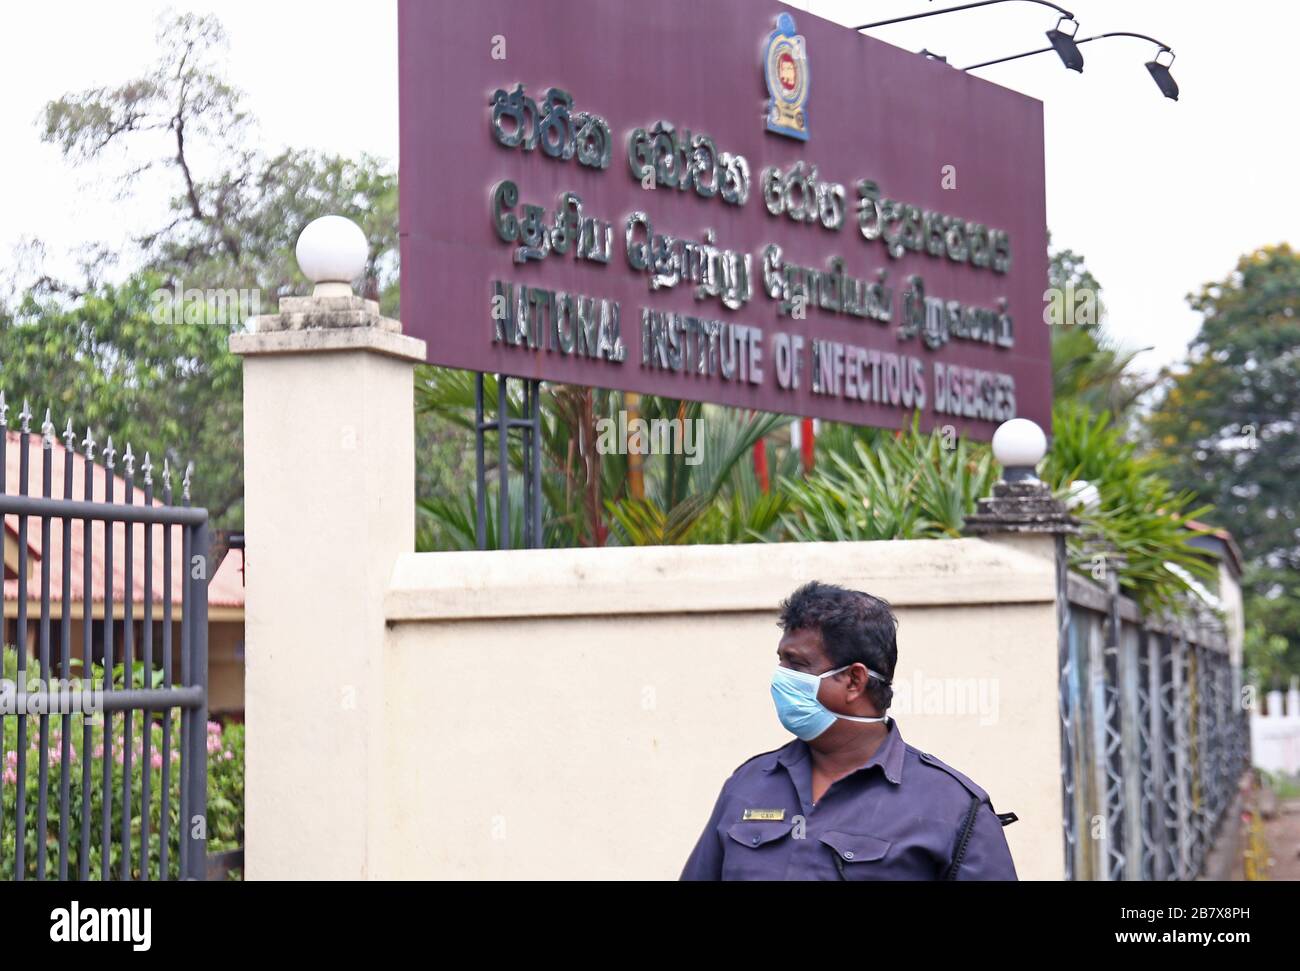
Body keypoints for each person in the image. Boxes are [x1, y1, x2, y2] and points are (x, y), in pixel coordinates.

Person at [680, 580, 1018, 880]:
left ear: (854, 680)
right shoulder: (748, 785)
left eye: (796, 664)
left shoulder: (952, 807)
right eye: (780, 660)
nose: (780, 676)